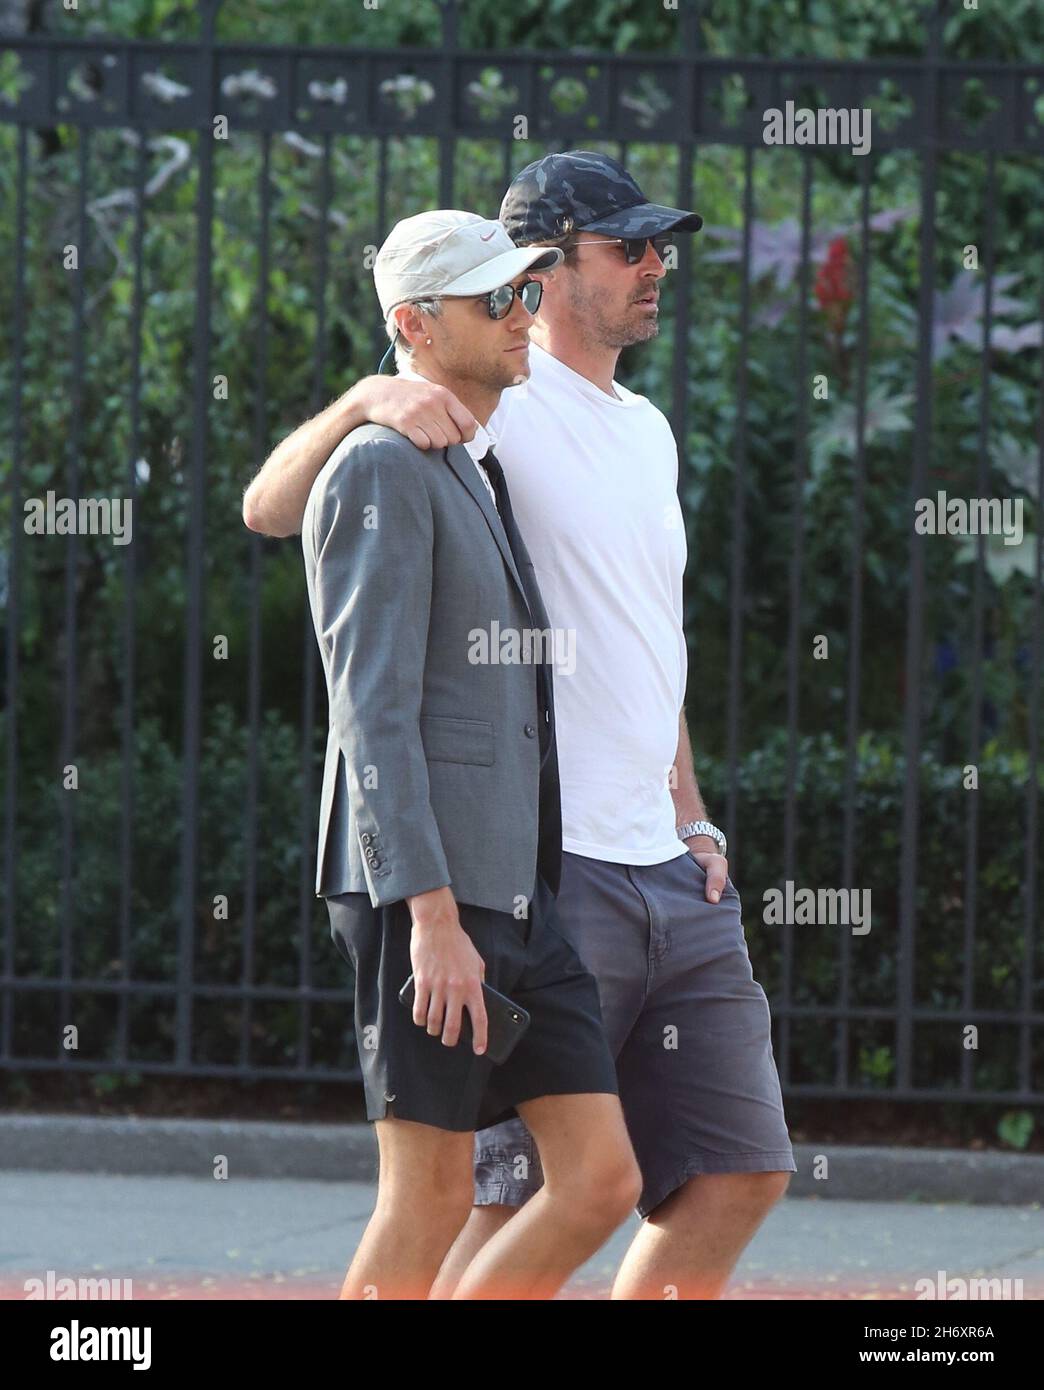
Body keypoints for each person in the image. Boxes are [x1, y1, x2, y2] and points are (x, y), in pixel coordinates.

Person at [246, 151, 796, 1301]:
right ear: (542, 274)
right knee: (464, 1190)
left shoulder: (602, 433)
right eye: (625, 246)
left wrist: (690, 811)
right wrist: (361, 396)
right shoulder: (447, 419)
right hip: (520, 868)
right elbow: (288, 540)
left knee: (676, 1174)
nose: (656, 266)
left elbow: (651, 639)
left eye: (662, 247)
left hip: (616, 866)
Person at [300, 207, 640, 1300]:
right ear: (414, 323)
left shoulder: (468, 458)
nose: (522, 312)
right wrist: (430, 920)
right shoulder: (382, 467)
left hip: (514, 891)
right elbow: (373, 715)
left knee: (599, 1177)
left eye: (528, 290)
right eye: (495, 297)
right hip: (431, 895)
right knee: (431, 1191)